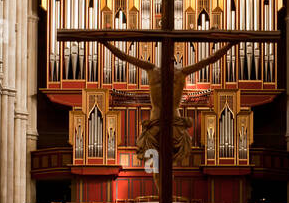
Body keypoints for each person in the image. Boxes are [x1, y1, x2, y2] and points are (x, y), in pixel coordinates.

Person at [100, 40, 236, 167]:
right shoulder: (169, 71)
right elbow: (124, 57)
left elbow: (209, 60)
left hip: (165, 119)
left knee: (160, 165)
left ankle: (164, 189)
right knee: (157, 165)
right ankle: (161, 190)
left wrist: (106, 43)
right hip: (166, 120)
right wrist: (229, 45)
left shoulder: (158, 70)